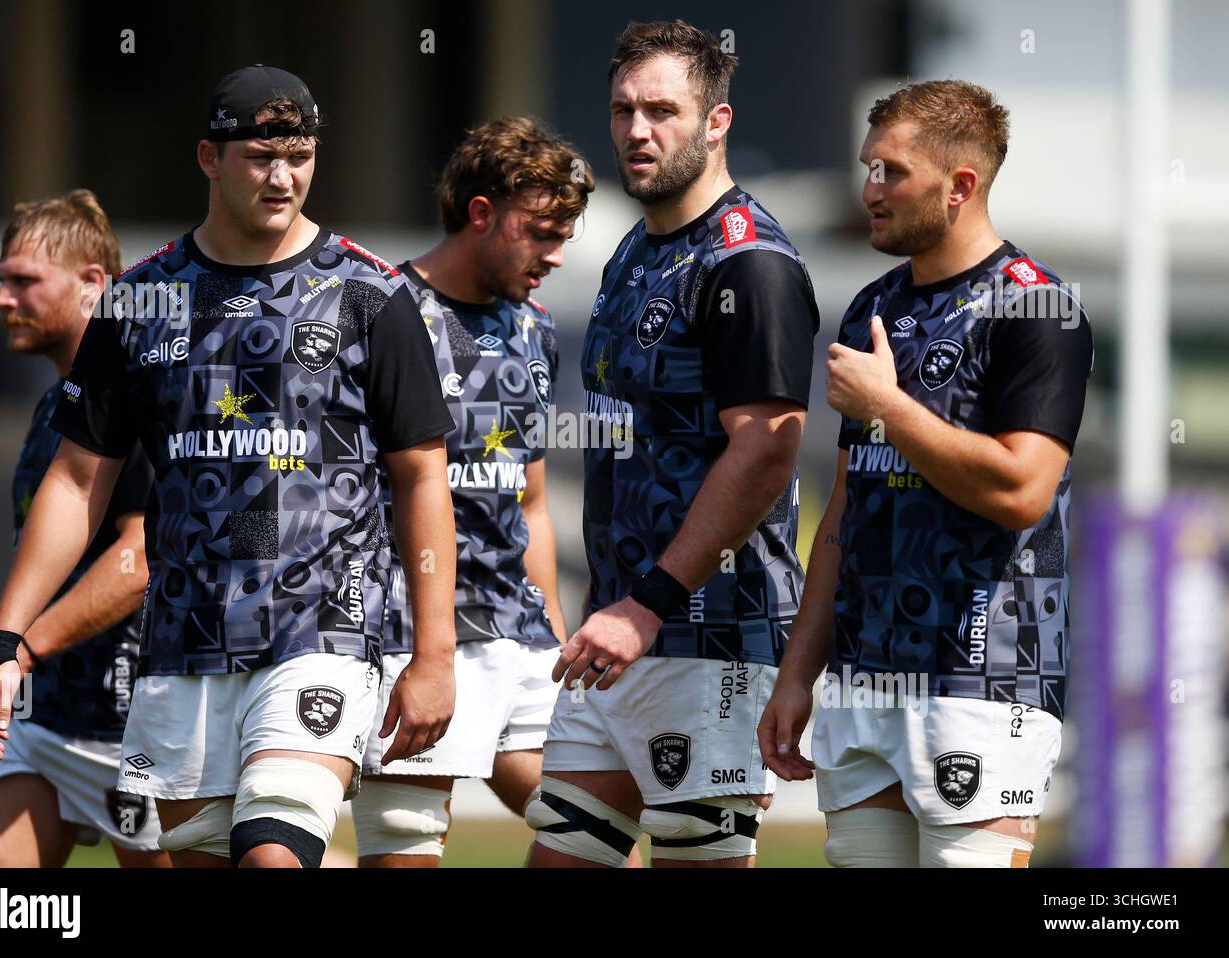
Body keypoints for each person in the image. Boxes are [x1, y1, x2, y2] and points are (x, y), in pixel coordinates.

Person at [0, 65, 457, 869]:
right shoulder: (139, 301)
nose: (283, 177)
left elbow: (422, 476)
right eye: (261, 157)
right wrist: (6, 638)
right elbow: (78, 479)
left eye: (299, 156)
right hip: (182, 650)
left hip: (321, 632)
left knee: (272, 855)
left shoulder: (373, 294)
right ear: (208, 158)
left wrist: (434, 654)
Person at [759, 79, 1093, 868]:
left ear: (960, 186)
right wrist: (798, 674)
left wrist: (890, 406)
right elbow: (846, 510)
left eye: (892, 172)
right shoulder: (871, 307)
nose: (870, 191)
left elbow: (1021, 491)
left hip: (983, 684)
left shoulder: (1037, 309)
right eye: (868, 169)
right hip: (864, 682)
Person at [528, 20, 820, 868]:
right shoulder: (634, 248)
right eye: (623, 110)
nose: (637, 131)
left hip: (709, 636)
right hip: (619, 630)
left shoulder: (750, 265)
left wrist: (649, 602)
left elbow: (765, 451)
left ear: (716, 122)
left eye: (662, 111)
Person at [353, 116, 609, 866]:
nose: (556, 255)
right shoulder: (379, 312)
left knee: (597, 843)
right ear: (480, 213)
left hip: (519, 637)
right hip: (409, 635)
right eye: (542, 232)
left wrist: (554, 636)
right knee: (405, 846)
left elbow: (529, 501)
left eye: (565, 235)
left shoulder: (535, 329)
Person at [0, 190, 167, 867]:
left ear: (91, 283)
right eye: (1, 281)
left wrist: (21, 651)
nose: (2, 298)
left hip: (140, 730)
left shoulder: (142, 394)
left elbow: (140, 559)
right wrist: (0, 649)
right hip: (39, 725)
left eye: (23, 280)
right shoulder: (52, 407)